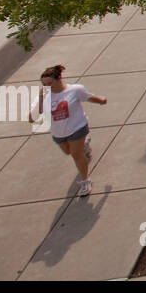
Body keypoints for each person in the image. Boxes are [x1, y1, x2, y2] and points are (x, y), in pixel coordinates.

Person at [32, 64, 107, 197]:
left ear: (59, 78)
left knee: (76, 155)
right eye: (45, 84)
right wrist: (40, 99)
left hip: (77, 127)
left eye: (50, 83)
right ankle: (85, 145)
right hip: (58, 132)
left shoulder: (75, 90)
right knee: (68, 152)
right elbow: (40, 112)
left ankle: (85, 180)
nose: (48, 86)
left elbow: (89, 97)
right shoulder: (45, 94)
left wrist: (101, 101)